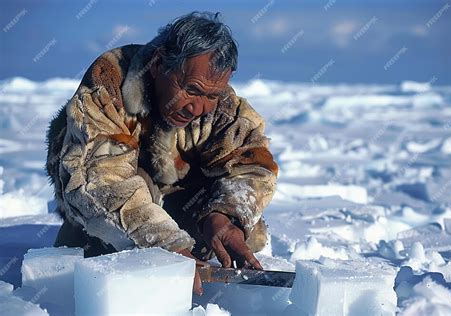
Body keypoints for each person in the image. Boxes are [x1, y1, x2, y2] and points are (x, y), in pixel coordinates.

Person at [45, 12, 278, 295]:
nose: (199, 108)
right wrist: (167, 246)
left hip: (175, 199)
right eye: (191, 90)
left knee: (248, 236)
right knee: (98, 241)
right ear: (158, 64)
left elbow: (253, 162)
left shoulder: (221, 102)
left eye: (212, 96)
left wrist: (224, 215)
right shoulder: (110, 82)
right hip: (106, 205)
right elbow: (99, 181)